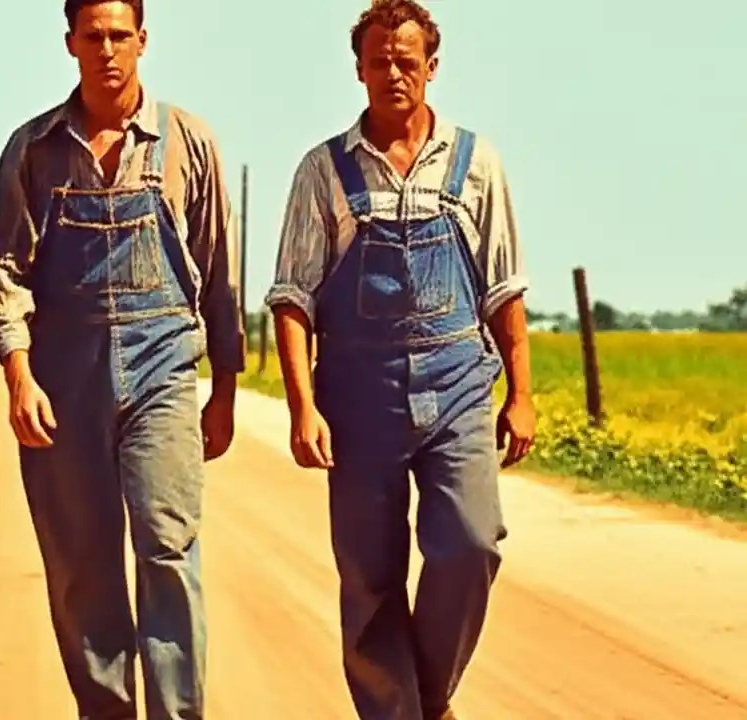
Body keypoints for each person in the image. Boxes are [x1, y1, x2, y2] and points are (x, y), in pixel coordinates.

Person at [264, 1, 536, 718]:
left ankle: (428, 694)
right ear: (358, 69)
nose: (393, 73)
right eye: (379, 60)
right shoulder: (323, 171)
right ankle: (397, 711)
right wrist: (303, 407)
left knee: (471, 543)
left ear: (431, 67)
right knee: (370, 576)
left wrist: (522, 393)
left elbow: (505, 290)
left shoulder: (478, 164)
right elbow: (293, 300)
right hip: (358, 400)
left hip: (457, 389)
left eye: (406, 60)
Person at [0, 0, 244, 717]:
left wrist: (225, 388)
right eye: (92, 37)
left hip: (162, 366)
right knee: (81, 566)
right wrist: (19, 374)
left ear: (143, 41)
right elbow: (2, 268)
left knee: (167, 547)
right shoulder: (33, 150)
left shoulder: (188, 141)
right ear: (70, 43)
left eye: (120, 36)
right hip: (63, 377)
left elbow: (219, 275)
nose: (107, 51)